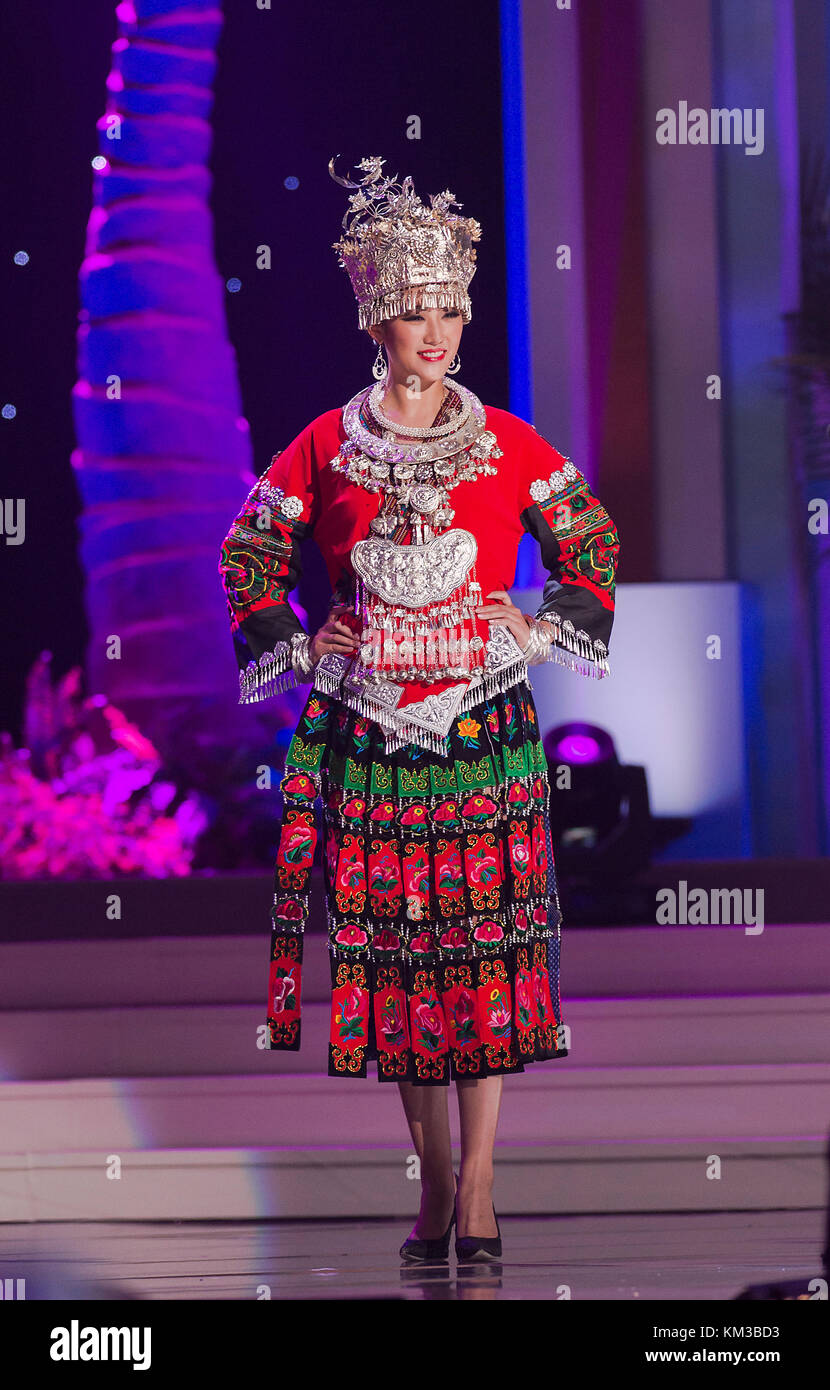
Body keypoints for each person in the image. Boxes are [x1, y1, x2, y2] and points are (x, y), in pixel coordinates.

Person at [218, 155, 620, 1263]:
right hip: (368, 731)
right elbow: (251, 547)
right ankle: (431, 1168)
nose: (433, 329)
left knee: (483, 955)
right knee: (399, 959)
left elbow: (586, 540)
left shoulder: (509, 441)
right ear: (373, 317)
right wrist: (299, 641)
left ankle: (481, 1178)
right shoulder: (324, 444)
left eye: (449, 307)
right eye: (410, 311)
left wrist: (535, 626)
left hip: (481, 726)